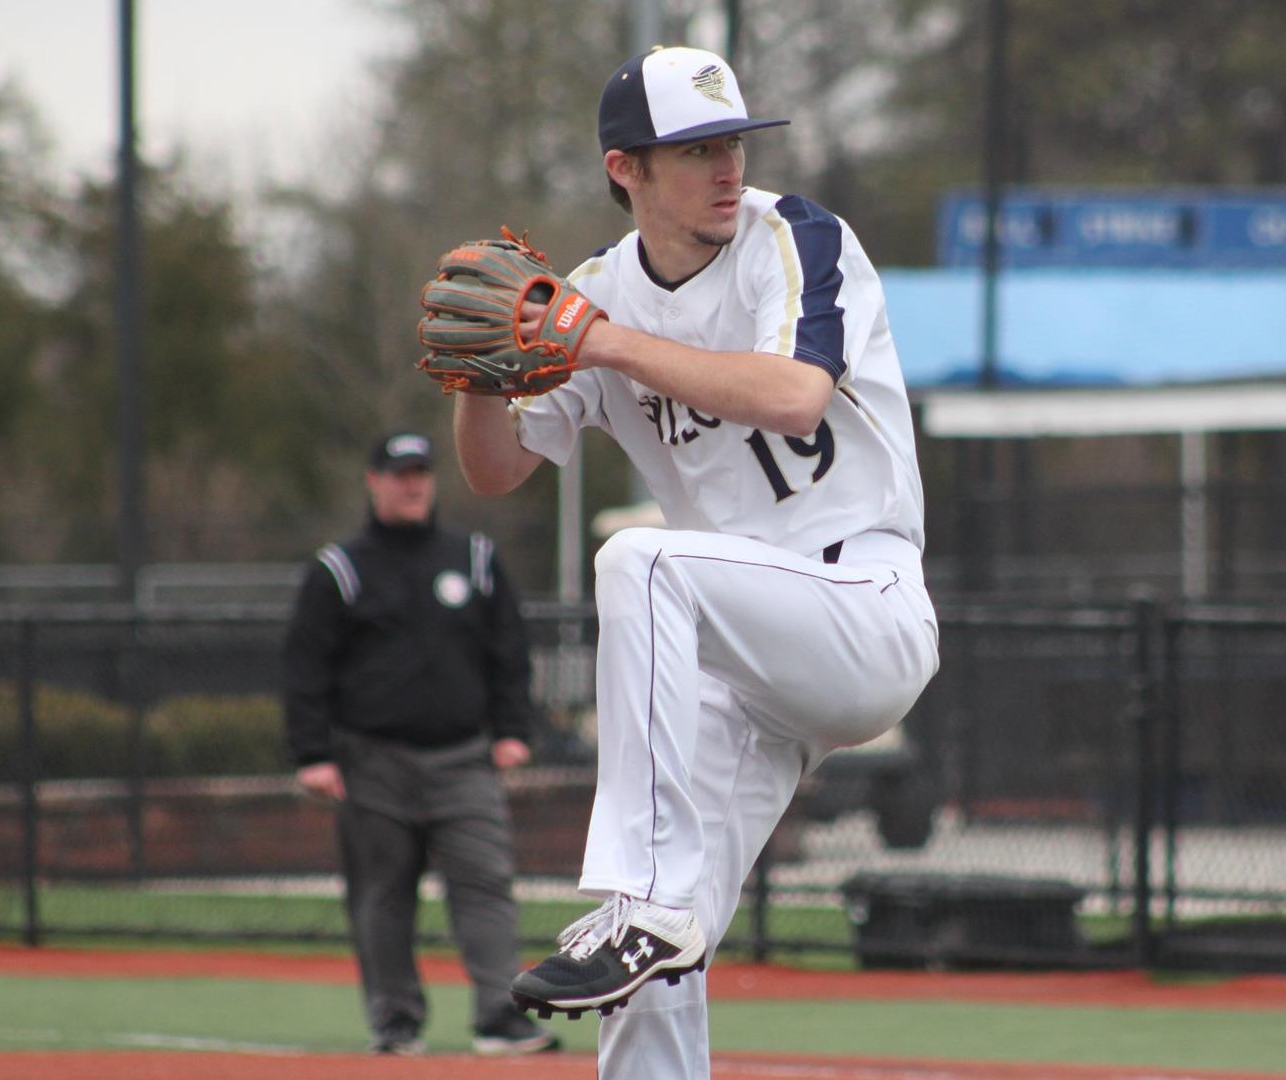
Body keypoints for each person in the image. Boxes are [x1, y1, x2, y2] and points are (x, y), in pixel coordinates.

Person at [449, 45, 940, 1079]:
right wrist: (481, 373)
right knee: (646, 967)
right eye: (695, 148)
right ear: (625, 168)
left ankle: (645, 905)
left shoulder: (796, 237)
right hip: (737, 667)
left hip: (863, 606)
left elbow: (793, 395)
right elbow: (495, 474)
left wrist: (603, 345)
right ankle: (646, 918)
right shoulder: (595, 290)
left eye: (733, 142)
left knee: (641, 562)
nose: (727, 166)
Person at [281, 431, 559, 1058]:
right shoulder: (340, 569)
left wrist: (514, 729)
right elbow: (306, 668)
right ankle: (396, 1020)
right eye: (399, 473)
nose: (412, 484)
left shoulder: (475, 558)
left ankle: (500, 1015)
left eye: (421, 473)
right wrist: (312, 754)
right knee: (383, 897)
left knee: (487, 885)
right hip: (373, 762)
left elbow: (509, 654)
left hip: (465, 758)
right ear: (373, 481)